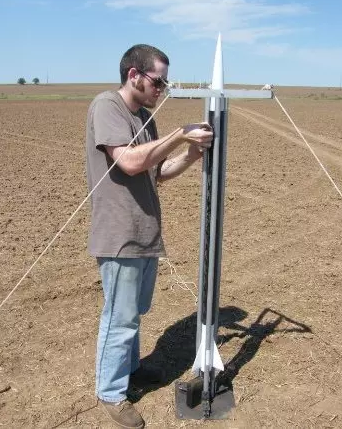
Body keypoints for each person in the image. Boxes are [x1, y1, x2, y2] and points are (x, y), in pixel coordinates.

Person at [85, 44, 213, 429]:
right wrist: (178, 134)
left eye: (164, 82)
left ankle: (130, 369)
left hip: (145, 232)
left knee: (134, 313)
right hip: (120, 234)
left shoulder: (145, 117)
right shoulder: (107, 106)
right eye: (158, 81)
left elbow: (156, 173)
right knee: (119, 317)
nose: (162, 89)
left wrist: (190, 155)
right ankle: (110, 391)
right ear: (134, 75)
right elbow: (128, 160)